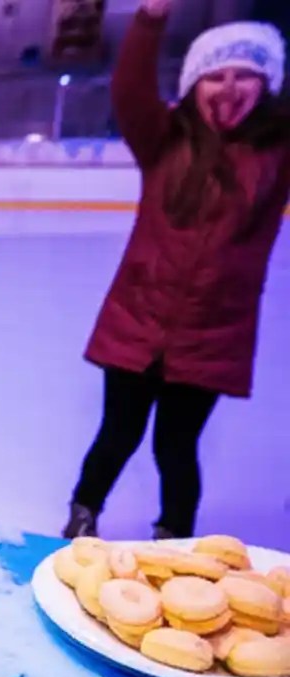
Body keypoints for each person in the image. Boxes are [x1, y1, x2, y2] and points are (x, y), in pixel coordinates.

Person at [64, 0, 288, 540]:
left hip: (212, 336)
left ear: (267, 85)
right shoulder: (164, 141)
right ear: (194, 84)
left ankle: (175, 540)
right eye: (216, 75)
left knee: (176, 446)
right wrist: (148, 20)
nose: (229, 88)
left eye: (245, 76)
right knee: (117, 434)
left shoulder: (277, 155)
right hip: (137, 322)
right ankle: (81, 517)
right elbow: (129, 91)